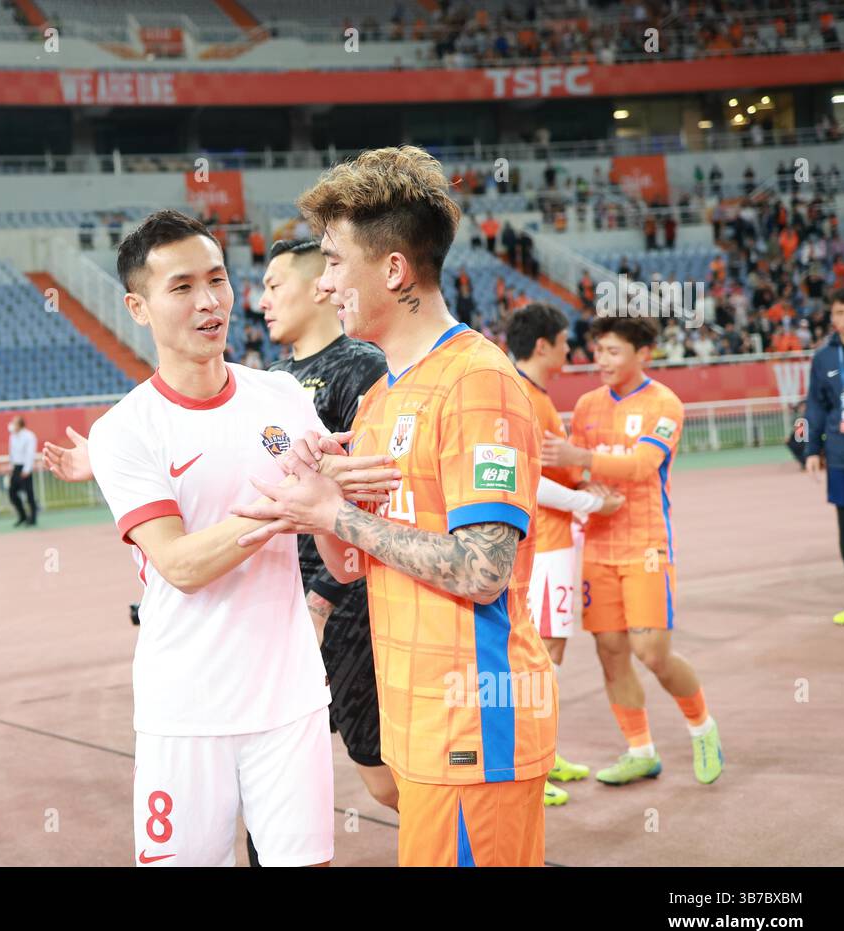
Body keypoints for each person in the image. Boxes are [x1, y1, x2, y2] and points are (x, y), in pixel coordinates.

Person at [43, 210, 397, 867]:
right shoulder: (126, 430)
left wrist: (340, 501)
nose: (209, 302)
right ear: (138, 307)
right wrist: (291, 501)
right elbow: (179, 563)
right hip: (186, 712)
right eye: (181, 287)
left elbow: (339, 561)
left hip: (288, 699)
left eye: (217, 280)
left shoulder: (283, 394)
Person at [235, 146, 557, 867]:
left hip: (478, 722)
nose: (324, 286)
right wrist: (315, 492)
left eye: (335, 262)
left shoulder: (477, 380)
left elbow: (482, 569)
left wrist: (336, 515)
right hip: (418, 725)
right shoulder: (380, 398)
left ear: (393, 270)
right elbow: (354, 564)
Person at [255, 238, 394, 859]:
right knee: (268, 769)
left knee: (383, 776)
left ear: (319, 287)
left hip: (344, 606)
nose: (261, 302)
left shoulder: (361, 366)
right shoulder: (268, 384)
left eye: (273, 285)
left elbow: (367, 502)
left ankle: (462, 837)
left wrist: (323, 602)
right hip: (277, 606)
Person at [542, 314, 722, 786]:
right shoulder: (586, 404)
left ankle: (702, 727)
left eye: (613, 351)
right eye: (598, 350)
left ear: (643, 354)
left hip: (646, 544)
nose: (601, 359)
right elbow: (575, 470)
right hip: (598, 546)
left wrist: (578, 460)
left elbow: (643, 464)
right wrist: (583, 481)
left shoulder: (665, 403)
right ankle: (640, 750)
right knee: (611, 651)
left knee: (652, 652)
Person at [508, 304, 625, 807]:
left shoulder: (532, 394)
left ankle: (543, 756)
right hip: (545, 544)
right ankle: (527, 765)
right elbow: (527, 481)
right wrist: (588, 502)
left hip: (551, 541)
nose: (570, 351)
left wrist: (582, 482)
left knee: (546, 652)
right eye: (563, 342)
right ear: (543, 346)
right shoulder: (524, 398)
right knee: (542, 654)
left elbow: (551, 470)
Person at [801, 287, 844, 623]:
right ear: (831, 317)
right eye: (840, 313)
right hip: (841, 457)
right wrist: (810, 449)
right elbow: (815, 406)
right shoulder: (822, 358)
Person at [8, 415, 38, 526]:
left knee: (29, 494)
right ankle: (22, 516)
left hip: (25, 467)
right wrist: (11, 466)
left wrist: (27, 469)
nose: (11, 425)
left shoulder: (29, 436)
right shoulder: (13, 436)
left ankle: (33, 518)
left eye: (14, 422)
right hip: (16, 467)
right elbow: (11, 453)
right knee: (12, 493)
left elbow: (30, 454)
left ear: (20, 424)